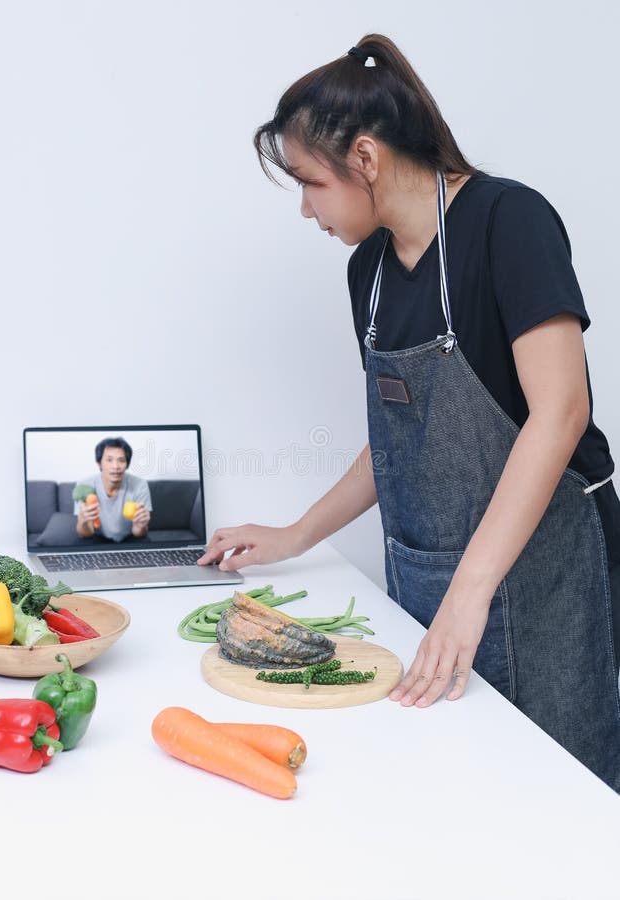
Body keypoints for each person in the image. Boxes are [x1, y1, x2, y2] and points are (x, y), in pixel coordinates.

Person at [197, 34, 620, 791]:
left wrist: (470, 589)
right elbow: (401, 443)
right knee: (460, 788)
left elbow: (559, 412)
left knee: (565, 798)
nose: (303, 209)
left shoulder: (507, 221)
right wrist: (295, 534)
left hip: (551, 574)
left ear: (363, 157)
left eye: (308, 184)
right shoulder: (368, 270)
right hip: (436, 582)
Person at [75, 436, 152, 541]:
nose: (115, 466)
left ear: (127, 464)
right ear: (99, 463)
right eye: (109, 460)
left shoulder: (140, 485)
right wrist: (82, 522)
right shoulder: (84, 485)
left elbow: (139, 533)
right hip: (97, 537)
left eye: (121, 460)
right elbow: (85, 534)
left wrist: (141, 526)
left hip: (130, 537)